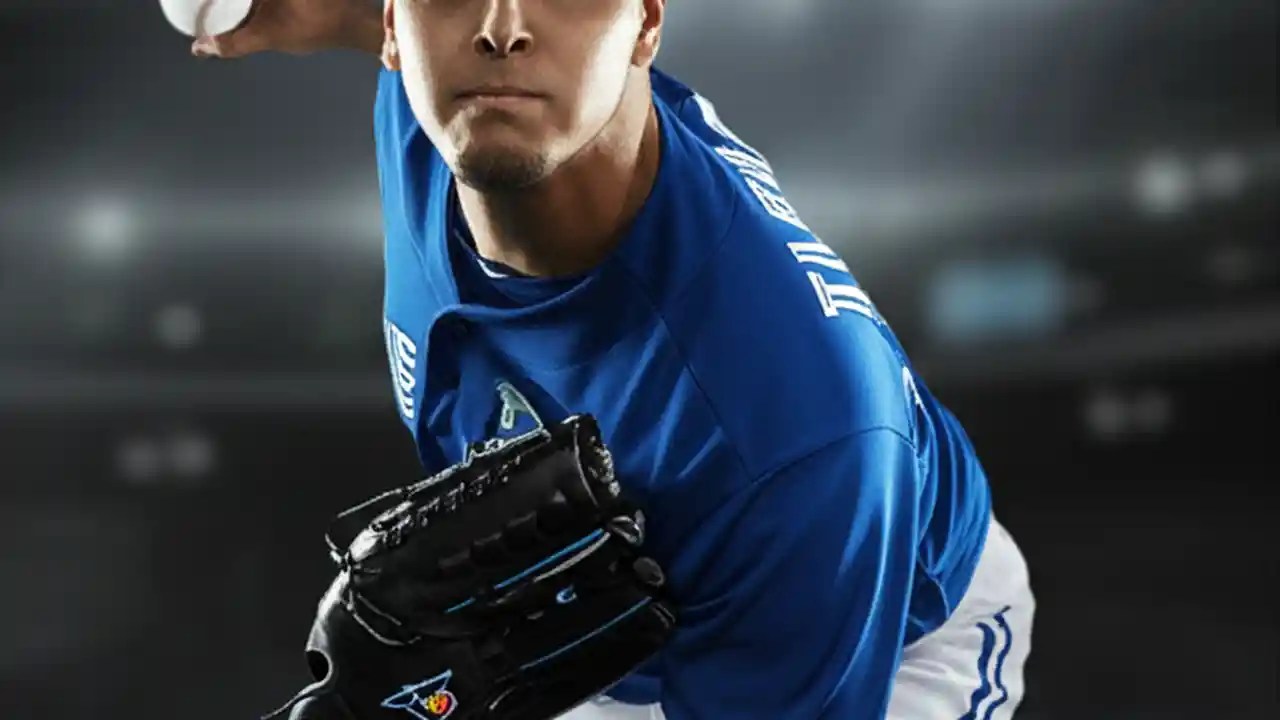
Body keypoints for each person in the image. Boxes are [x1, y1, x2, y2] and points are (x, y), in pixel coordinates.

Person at [192, 1, 1036, 718]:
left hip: (876, 633)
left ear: (646, 24)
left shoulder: (790, 430)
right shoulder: (438, 108)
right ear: (391, 28)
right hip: (615, 625)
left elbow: (798, 523)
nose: (500, 27)